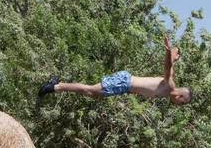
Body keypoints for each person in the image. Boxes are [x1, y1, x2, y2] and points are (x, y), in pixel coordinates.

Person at [39, 34, 191, 105]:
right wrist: (168, 53)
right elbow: (167, 68)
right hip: (124, 83)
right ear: (180, 97)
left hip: (124, 85)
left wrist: (171, 56)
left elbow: (169, 67)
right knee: (91, 91)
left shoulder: (166, 91)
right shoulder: (169, 87)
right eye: (182, 103)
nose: (179, 105)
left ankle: (55, 85)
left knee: (92, 93)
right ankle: (53, 86)